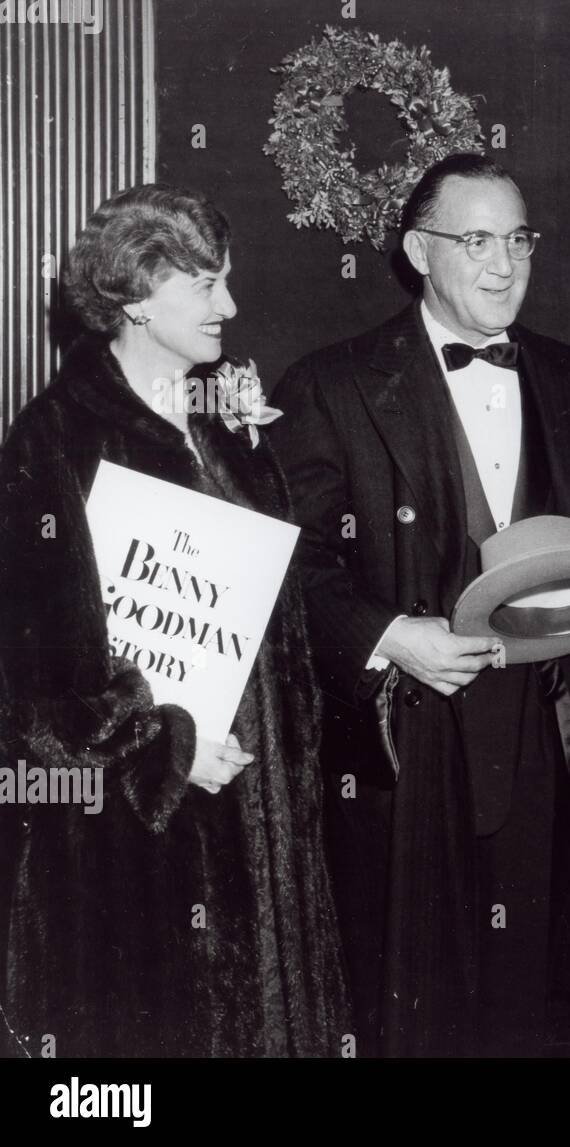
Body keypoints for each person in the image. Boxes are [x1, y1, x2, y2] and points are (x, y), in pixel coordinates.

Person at [272, 153, 570, 1057]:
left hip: (549, 737)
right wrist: (393, 637)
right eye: (475, 239)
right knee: (406, 1008)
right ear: (417, 251)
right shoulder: (330, 384)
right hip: (405, 742)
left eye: (519, 240)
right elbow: (290, 566)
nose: (503, 263)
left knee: (533, 1009)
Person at [0, 184, 348, 1057]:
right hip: (145, 843)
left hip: (268, 812)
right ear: (133, 295)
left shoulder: (227, 424)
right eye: (205, 285)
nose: (230, 306)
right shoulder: (54, 442)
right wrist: (165, 748)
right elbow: (23, 688)